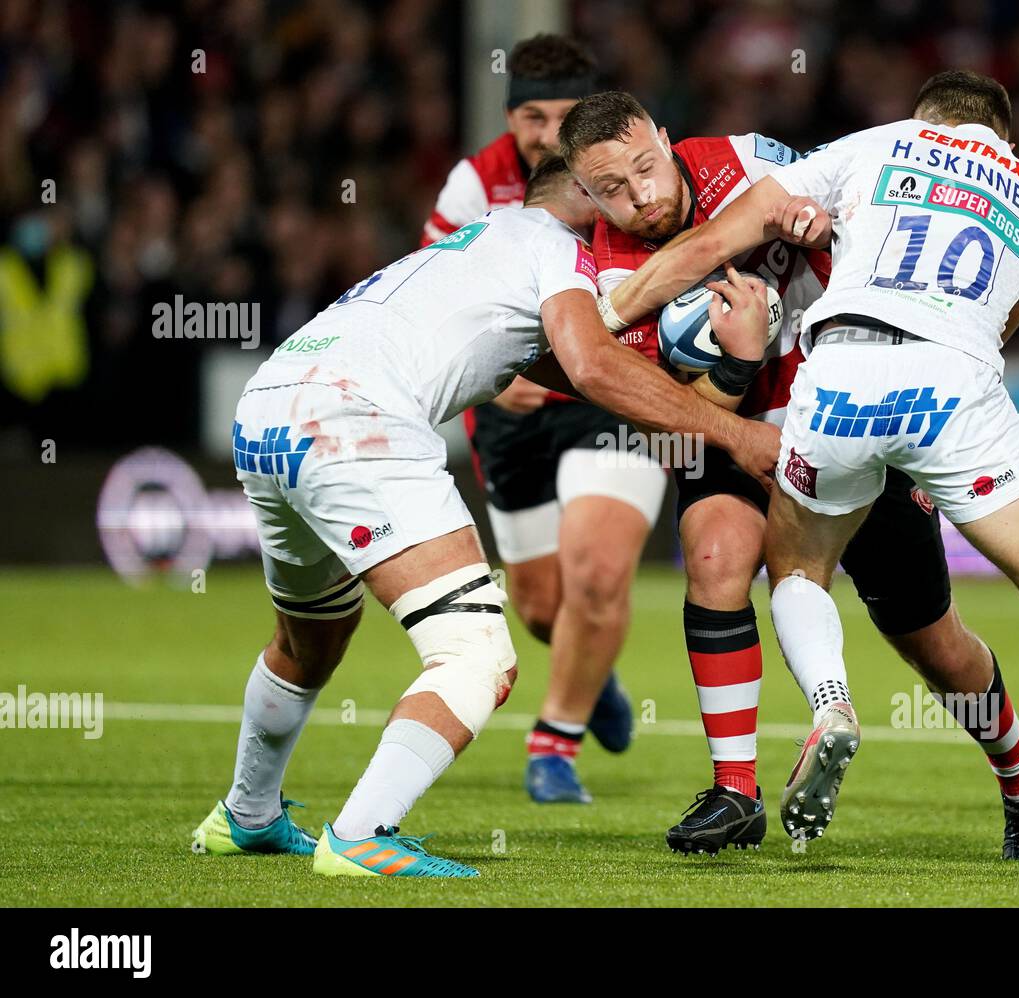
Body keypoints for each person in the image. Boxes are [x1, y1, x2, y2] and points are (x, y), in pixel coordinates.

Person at [598, 72, 1019, 877]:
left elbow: (706, 246)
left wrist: (591, 325)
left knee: (800, 570)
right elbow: (1007, 319)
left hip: (833, 379)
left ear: (924, 121)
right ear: (1002, 139)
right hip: (947, 383)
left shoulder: (875, 144)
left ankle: (834, 705)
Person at [192, 155, 778, 878]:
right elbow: (598, 369)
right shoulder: (555, 246)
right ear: (587, 200)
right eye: (618, 201)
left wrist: (728, 378)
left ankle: (246, 818)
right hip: (351, 421)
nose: (635, 223)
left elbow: (623, 393)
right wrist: (746, 434)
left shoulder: (481, 252)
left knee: (310, 636)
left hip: (268, 405)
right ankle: (361, 836)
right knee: (477, 655)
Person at [421, 34, 663, 805]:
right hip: (512, 413)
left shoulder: (620, 177)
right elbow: (437, 299)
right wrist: (490, 385)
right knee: (538, 607)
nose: (548, 134)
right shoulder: (473, 183)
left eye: (565, 117)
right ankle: (592, 675)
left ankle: (553, 744)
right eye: (533, 116)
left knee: (595, 574)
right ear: (509, 116)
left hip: (608, 398)